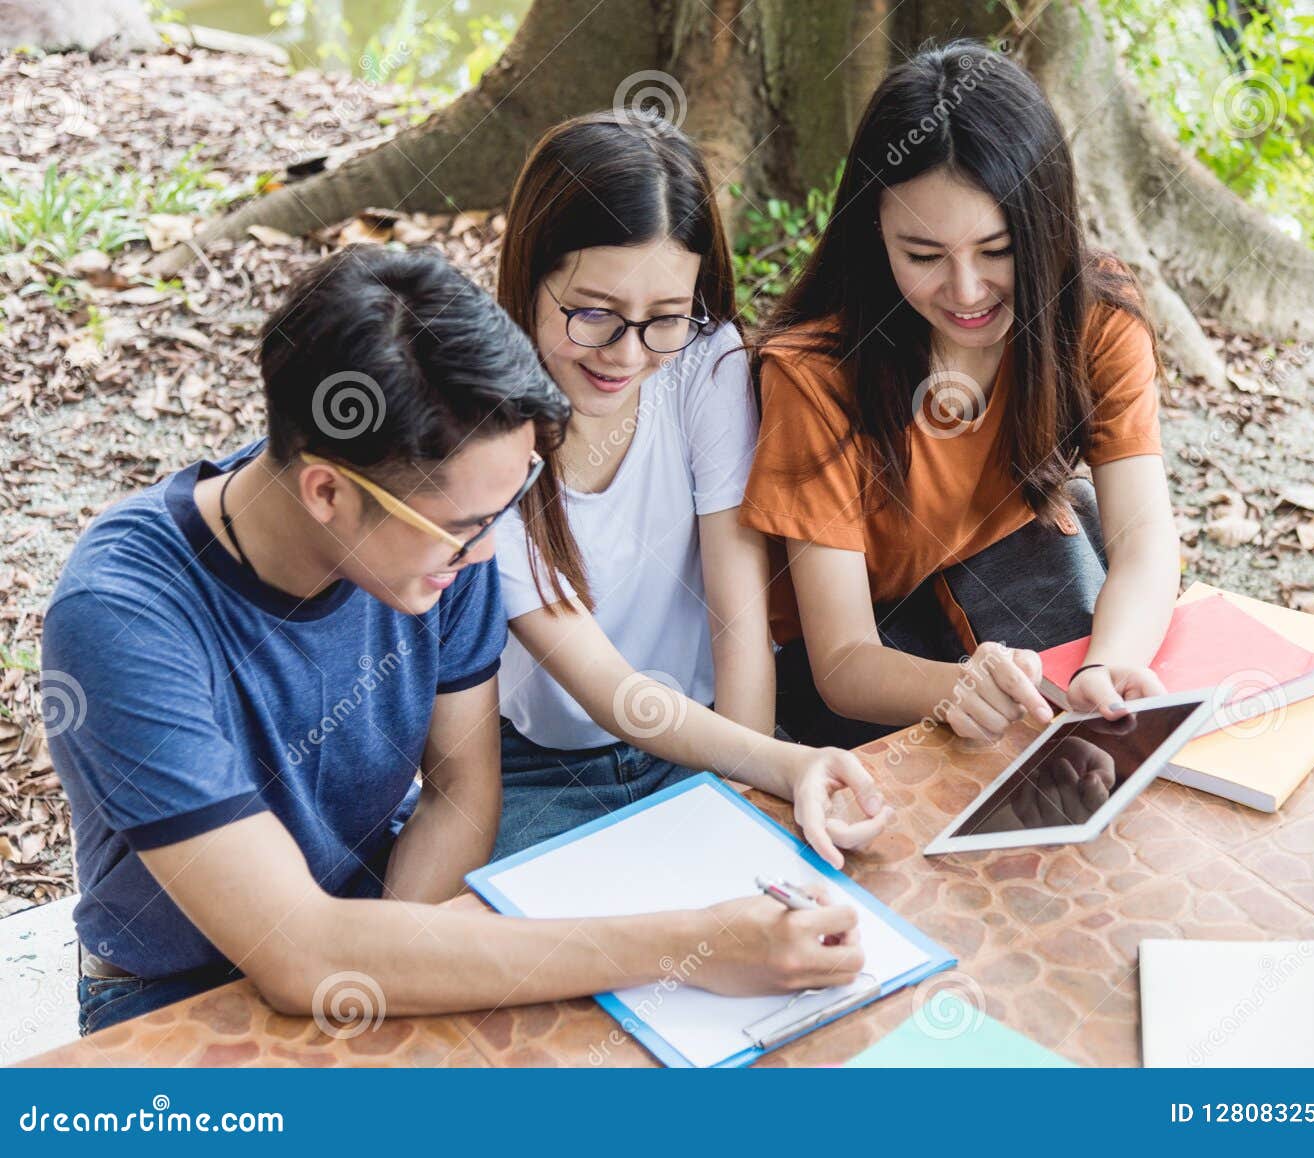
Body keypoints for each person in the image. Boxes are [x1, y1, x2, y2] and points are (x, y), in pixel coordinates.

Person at [43, 246, 864, 1035]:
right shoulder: (124, 618)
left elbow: (459, 796)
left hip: (375, 916)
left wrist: (398, 962)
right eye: (465, 528)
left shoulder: (446, 530)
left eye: (502, 510)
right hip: (178, 994)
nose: (486, 554)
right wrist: (693, 946)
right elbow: (299, 953)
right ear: (326, 493)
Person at [739, 42, 1180, 748]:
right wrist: (956, 690)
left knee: (1094, 726)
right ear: (873, 232)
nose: (967, 291)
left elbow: (1145, 543)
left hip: (1010, 560)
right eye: (923, 256)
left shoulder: (1095, 316)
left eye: (998, 250)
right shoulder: (813, 374)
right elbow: (844, 661)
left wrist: (1109, 664)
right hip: (873, 645)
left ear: (1046, 226)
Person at [489, 110, 890, 863]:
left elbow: (740, 626)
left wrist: (742, 795)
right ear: (529, 279)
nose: (626, 354)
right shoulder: (482, 432)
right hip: (544, 772)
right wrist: (783, 765)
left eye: (665, 317)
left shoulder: (706, 364)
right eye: (594, 314)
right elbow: (609, 689)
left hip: (715, 734)